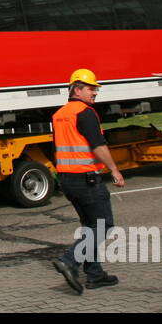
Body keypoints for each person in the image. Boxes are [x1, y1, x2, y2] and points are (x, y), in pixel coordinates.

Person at [49, 68, 126, 294]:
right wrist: (114, 170)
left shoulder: (59, 115)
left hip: (67, 179)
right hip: (86, 179)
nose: (95, 93)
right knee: (103, 225)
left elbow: (56, 149)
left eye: (96, 89)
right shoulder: (85, 113)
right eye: (91, 88)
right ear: (77, 89)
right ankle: (69, 261)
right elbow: (98, 145)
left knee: (90, 226)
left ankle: (95, 275)